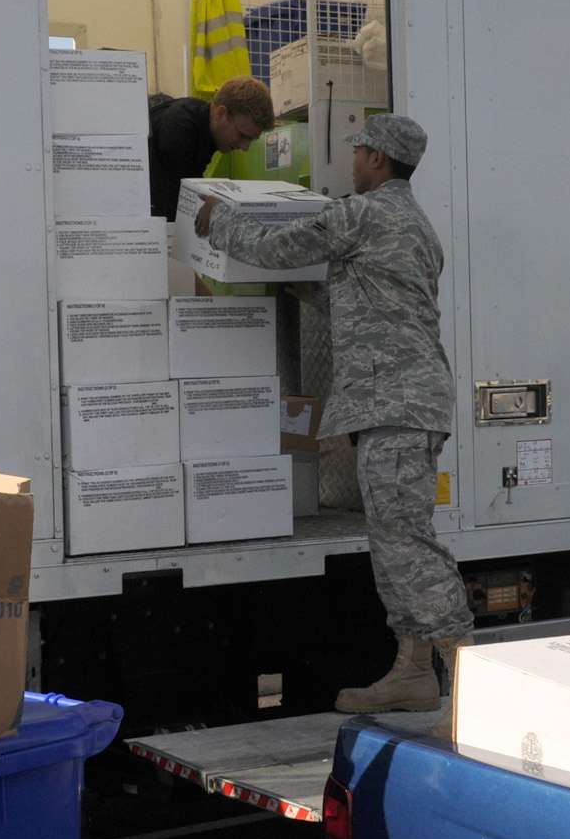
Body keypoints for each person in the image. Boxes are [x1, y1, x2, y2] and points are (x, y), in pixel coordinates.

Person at [193, 114, 473, 711]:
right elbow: (371, 302)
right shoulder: (413, 224)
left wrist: (218, 220)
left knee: (406, 542)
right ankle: (413, 672)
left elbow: (275, 246)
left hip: (396, 400)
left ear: (377, 159)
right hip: (405, 398)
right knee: (393, 537)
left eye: (359, 153)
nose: (352, 163)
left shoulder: (363, 214)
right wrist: (306, 291)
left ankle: (469, 674)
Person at [145, 73, 274, 219]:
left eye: (251, 140)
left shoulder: (205, 128)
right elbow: (166, 207)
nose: (245, 147)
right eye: (243, 135)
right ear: (221, 113)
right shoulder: (178, 127)